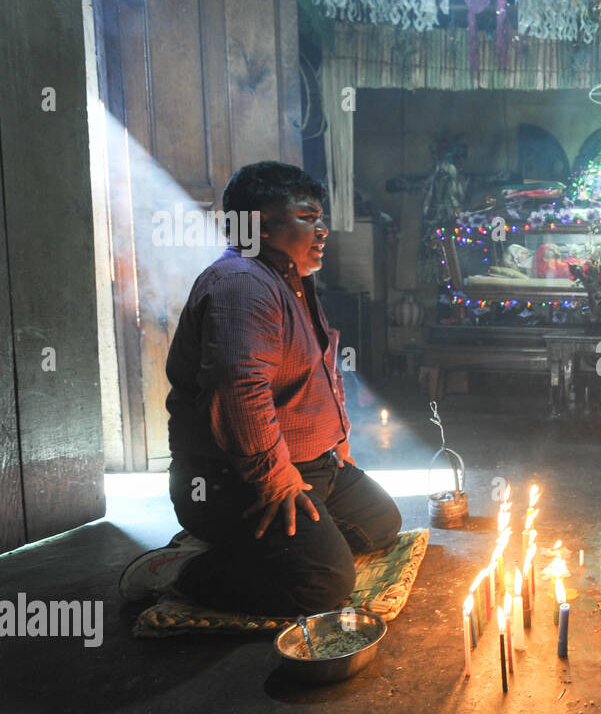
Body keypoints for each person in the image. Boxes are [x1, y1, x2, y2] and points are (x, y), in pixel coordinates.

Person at [119, 161, 402, 616]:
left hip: (312, 465)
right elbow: (239, 390)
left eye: (320, 219)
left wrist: (337, 442)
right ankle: (183, 572)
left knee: (381, 523)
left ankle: (266, 546)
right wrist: (274, 479)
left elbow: (321, 370)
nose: (323, 231)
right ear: (258, 226)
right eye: (307, 218)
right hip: (237, 481)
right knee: (324, 582)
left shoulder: (291, 280)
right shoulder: (243, 283)